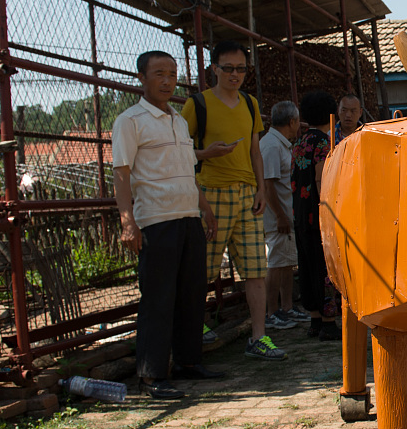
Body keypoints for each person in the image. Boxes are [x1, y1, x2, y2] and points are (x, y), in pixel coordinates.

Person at [113, 51, 224, 400]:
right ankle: (151, 375)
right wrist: (127, 222)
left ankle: (188, 363)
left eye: (172, 74)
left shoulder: (178, 119)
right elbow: (121, 173)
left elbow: (186, 168)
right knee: (159, 298)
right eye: (158, 73)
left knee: (192, 294)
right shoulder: (130, 121)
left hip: (188, 215)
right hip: (156, 220)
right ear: (142, 78)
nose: (166, 80)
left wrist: (204, 208)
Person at [181, 40, 285, 362]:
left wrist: (260, 190)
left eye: (241, 69)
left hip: (247, 196)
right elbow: (179, 152)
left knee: (256, 268)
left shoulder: (250, 104)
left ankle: (258, 337)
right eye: (228, 68)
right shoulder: (196, 105)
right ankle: (191, 329)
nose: (235, 75)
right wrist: (207, 155)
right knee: (204, 267)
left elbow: (255, 149)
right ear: (214, 68)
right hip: (211, 193)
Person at [293, 91, 340, 340]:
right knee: (325, 267)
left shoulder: (299, 143)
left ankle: (315, 320)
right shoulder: (323, 142)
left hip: (300, 215)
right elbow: (322, 178)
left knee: (308, 266)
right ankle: (329, 322)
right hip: (318, 215)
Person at [260, 100, 310, 332]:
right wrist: (279, 216)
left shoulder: (283, 144)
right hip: (277, 217)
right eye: (297, 121)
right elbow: (267, 185)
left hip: (287, 216)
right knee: (276, 264)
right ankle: (271, 312)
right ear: (292, 121)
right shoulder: (270, 146)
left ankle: (287, 307)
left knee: (287, 262)